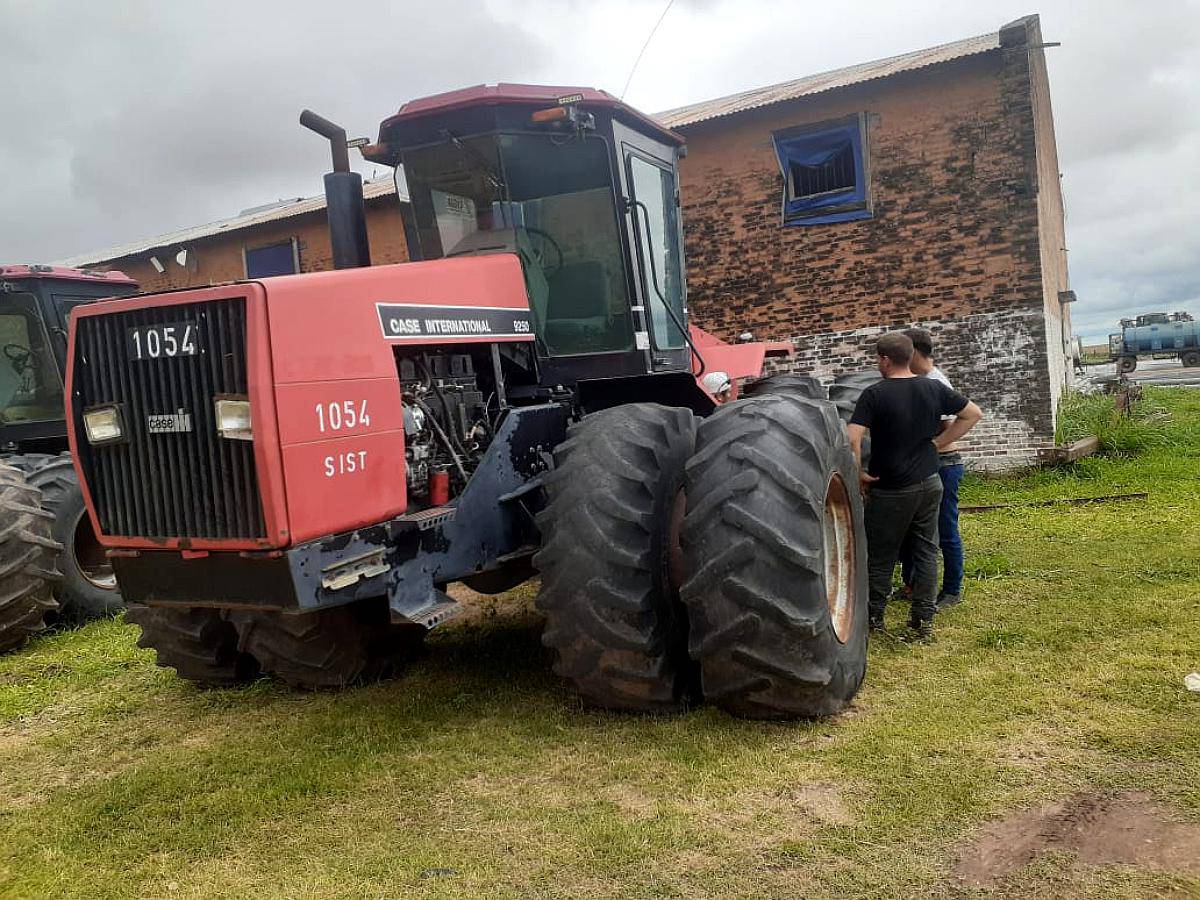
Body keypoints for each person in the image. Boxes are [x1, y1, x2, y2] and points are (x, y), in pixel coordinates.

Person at [847, 333, 983, 638]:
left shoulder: (874, 394)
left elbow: (853, 437)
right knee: (925, 551)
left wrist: (858, 474)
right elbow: (973, 414)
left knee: (880, 556)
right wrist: (937, 444)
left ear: (884, 360)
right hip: (929, 483)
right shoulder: (933, 387)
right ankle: (922, 620)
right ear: (910, 356)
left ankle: (875, 620)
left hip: (891, 489)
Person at [899, 328, 967, 609]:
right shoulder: (919, 380)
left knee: (945, 529)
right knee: (916, 530)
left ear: (914, 352)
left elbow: (955, 423)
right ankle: (913, 585)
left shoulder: (936, 382)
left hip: (943, 465)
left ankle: (952, 590)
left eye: (903, 352)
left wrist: (933, 447)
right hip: (925, 465)